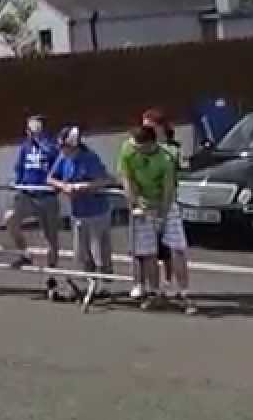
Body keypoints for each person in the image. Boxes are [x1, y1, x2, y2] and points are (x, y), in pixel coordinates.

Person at [119, 125, 196, 314]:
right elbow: (127, 179)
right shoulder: (128, 148)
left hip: (165, 204)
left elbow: (168, 191)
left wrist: (161, 216)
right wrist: (136, 202)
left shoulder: (166, 159)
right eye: (135, 146)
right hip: (143, 204)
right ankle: (154, 292)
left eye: (140, 147)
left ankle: (183, 292)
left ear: (151, 144)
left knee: (177, 248)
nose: (136, 149)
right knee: (148, 252)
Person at [49, 127, 115, 298]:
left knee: (99, 250)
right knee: (82, 252)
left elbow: (106, 180)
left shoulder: (90, 158)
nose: (62, 150)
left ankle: (102, 285)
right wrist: (64, 186)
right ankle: (89, 283)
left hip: (96, 212)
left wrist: (85, 186)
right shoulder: (63, 158)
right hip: (78, 212)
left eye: (64, 146)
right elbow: (50, 178)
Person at [4, 114, 60, 273]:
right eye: (29, 129)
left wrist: (40, 142)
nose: (30, 132)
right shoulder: (25, 147)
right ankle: (24, 253)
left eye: (34, 129)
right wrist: (18, 184)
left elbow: (56, 164)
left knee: (51, 238)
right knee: (10, 218)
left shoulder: (52, 146)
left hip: (47, 196)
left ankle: (52, 272)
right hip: (27, 195)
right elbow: (20, 168)